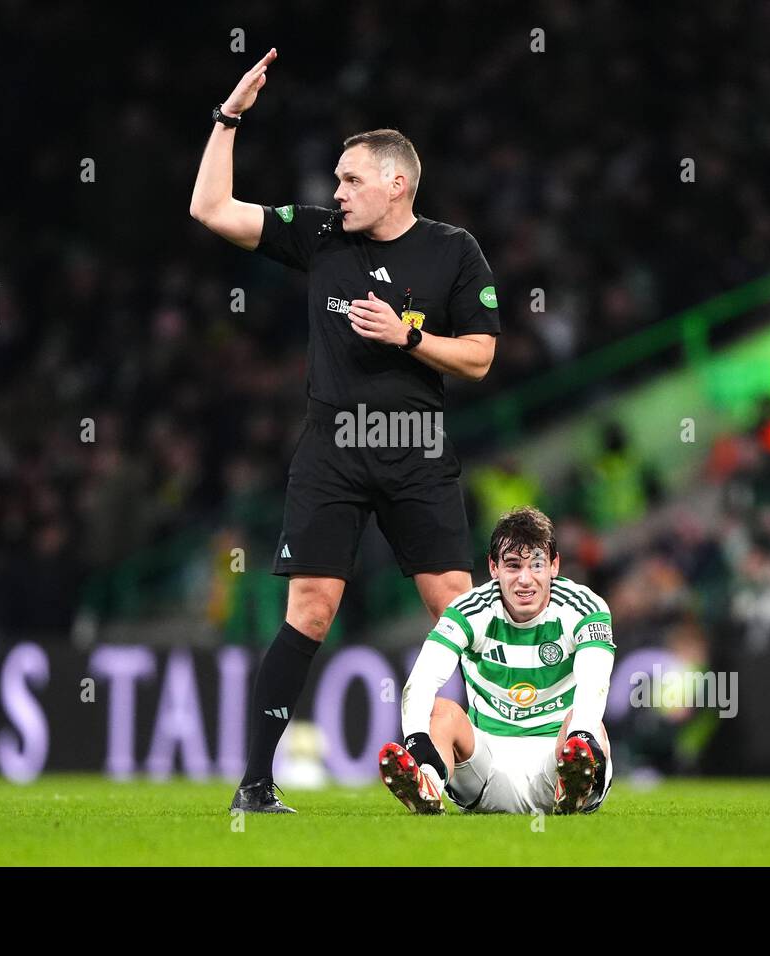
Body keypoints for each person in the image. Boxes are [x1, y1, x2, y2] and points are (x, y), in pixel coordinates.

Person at [189, 49, 502, 812]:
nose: (337, 192)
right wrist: (228, 117)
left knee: (456, 604)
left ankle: (492, 770)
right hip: (334, 445)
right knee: (311, 610)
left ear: (397, 183)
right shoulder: (323, 237)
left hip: (417, 448)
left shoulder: (454, 251)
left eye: (350, 179)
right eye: (336, 180)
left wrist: (409, 340)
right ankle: (256, 786)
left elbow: (483, 357)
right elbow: (211, 210)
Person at [380, 506, 615, 815]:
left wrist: (581, 734)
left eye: (536, 565)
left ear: (554, 565)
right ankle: (427, 784)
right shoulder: (470, 610)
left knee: (585, 725)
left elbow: (594, 681)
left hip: (557, 760)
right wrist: (416, 739)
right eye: (513, 566)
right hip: (485, 771)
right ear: (493, 567)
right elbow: (423, 678)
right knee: (442, 712)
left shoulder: (585, 608)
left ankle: (571, 786)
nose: (525, 580)